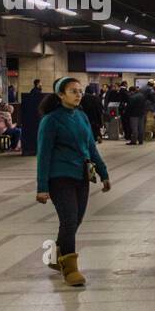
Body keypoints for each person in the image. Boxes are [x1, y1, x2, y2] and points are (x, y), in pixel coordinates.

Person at [35, 77, 111, 287]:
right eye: (73, 91)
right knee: (68, 220)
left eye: (80, 91)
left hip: (81, 175)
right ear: (60, 95)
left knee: (75, 221)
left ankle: (54, 255)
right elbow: (44, 154)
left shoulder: (81, 116)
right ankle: (70, 268)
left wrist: (103, 173)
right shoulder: (50, 120)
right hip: (59, 177)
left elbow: (91, 147)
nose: (78, 95)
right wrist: (42, 187)